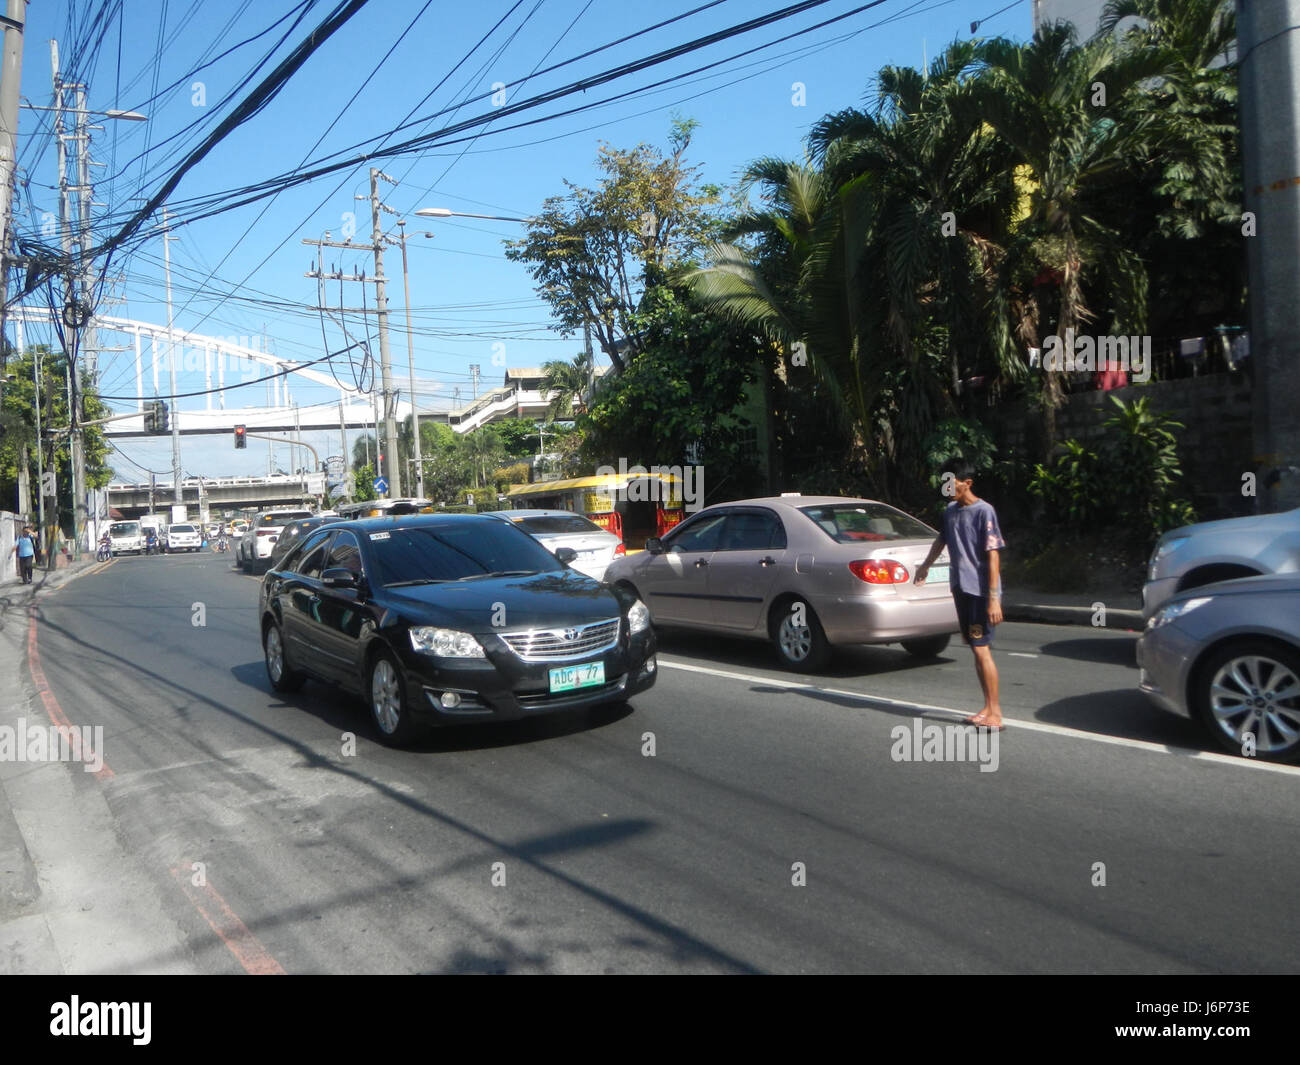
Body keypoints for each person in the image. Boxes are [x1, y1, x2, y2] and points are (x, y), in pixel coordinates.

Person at [914, 459, 1007, 730]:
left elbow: (993, 557)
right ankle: (987, 707)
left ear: (967, 483)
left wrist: (993, 598)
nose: (946, 488)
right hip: (960, 588)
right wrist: (925, 567)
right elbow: (941, 540)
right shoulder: (950, 511)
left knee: (981, 649)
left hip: (979, 592)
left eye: (950, 482)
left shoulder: (984, 512)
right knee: (976, 649)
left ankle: (996, 713)